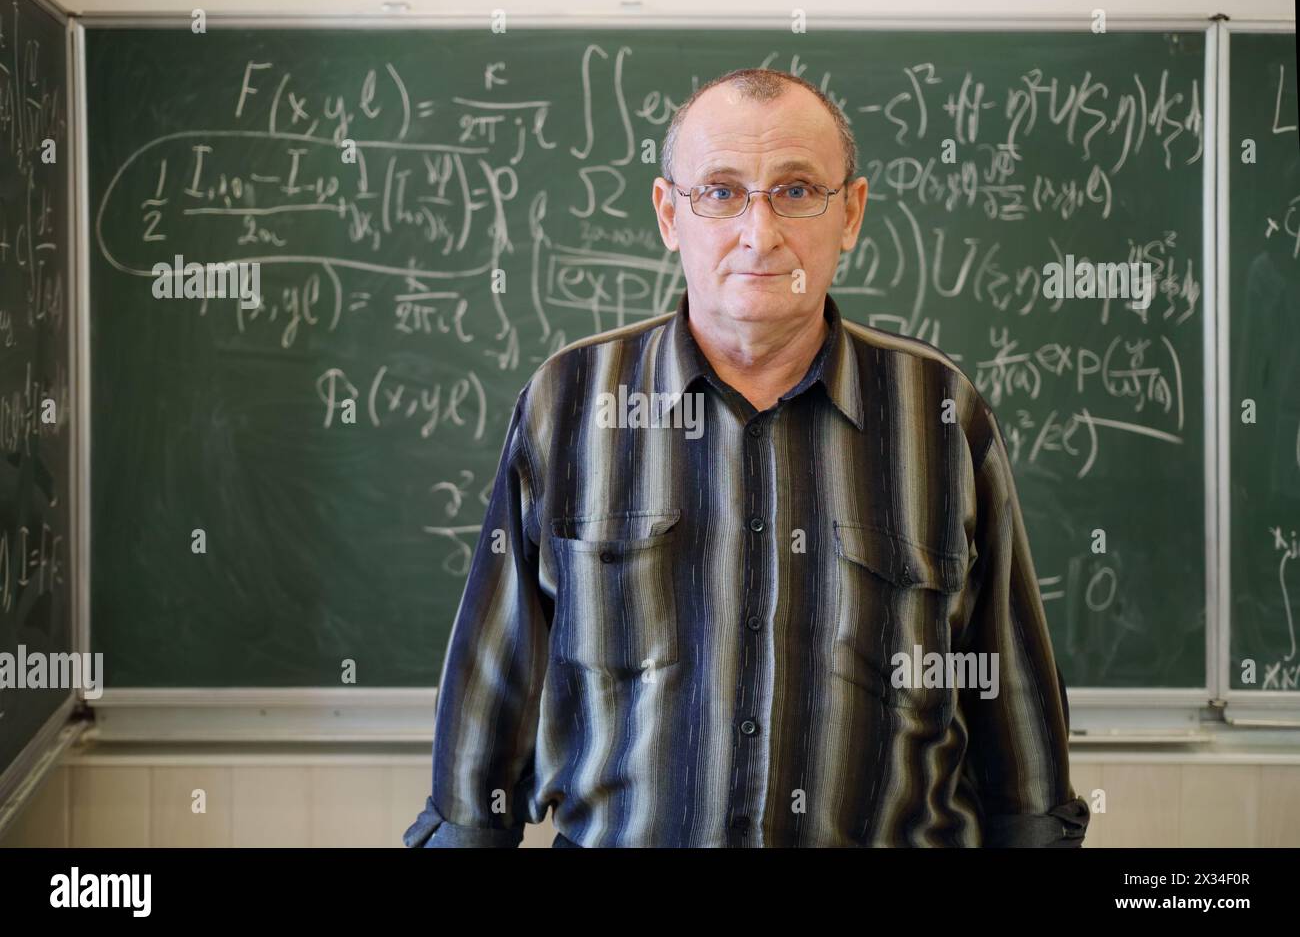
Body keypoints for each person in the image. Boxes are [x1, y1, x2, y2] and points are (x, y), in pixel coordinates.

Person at [405, 67, 1090, 847]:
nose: (759, 234)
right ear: (670, 214)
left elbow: (1012, 701)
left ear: (851, 213)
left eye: (797, 191)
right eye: (721, 192)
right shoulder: (569, 403)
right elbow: (492, 689)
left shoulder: (938, 413)